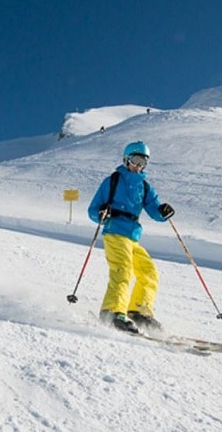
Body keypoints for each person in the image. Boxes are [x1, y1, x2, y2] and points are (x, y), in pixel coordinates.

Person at [87, 141, 175, 334]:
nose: (138, 165)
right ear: (126, 159)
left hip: (132, 237)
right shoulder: (113, 181)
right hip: (114, 232)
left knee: (148, 271)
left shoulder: (144, 186)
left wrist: (163, 211)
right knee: (123, 270)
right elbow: (93, 210)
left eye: (143, 162)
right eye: (135, 160)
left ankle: (138, 311)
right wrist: (101, 212)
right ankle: (112, 311)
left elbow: (154, 209)